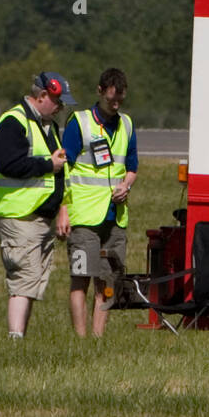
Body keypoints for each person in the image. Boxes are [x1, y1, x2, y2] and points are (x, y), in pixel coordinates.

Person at [0, 72, 76, 339]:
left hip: (39, 217)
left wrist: (62, 207)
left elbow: (61, 171)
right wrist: (48, 165)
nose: (61, 108)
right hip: (19, 215)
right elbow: (9, 164)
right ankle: (15, 339)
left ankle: (20, 335)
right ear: (42, 96)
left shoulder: (48, 126)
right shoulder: (13, 122)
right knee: (23, 279)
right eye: (58, 102)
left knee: (33, 280)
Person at [60, 67, 138, 337]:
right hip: (83, 218)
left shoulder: (127, 124)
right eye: (110, 100)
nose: (115, 106)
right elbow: (63, 169)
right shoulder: (79, 123)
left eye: (120, 101)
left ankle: (97, 338)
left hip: (115, 217)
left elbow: (132, 166)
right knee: (80, 278)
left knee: (107, 282)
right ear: (100, 92)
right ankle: (81, 340)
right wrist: (63, 211)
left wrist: (126, 185)